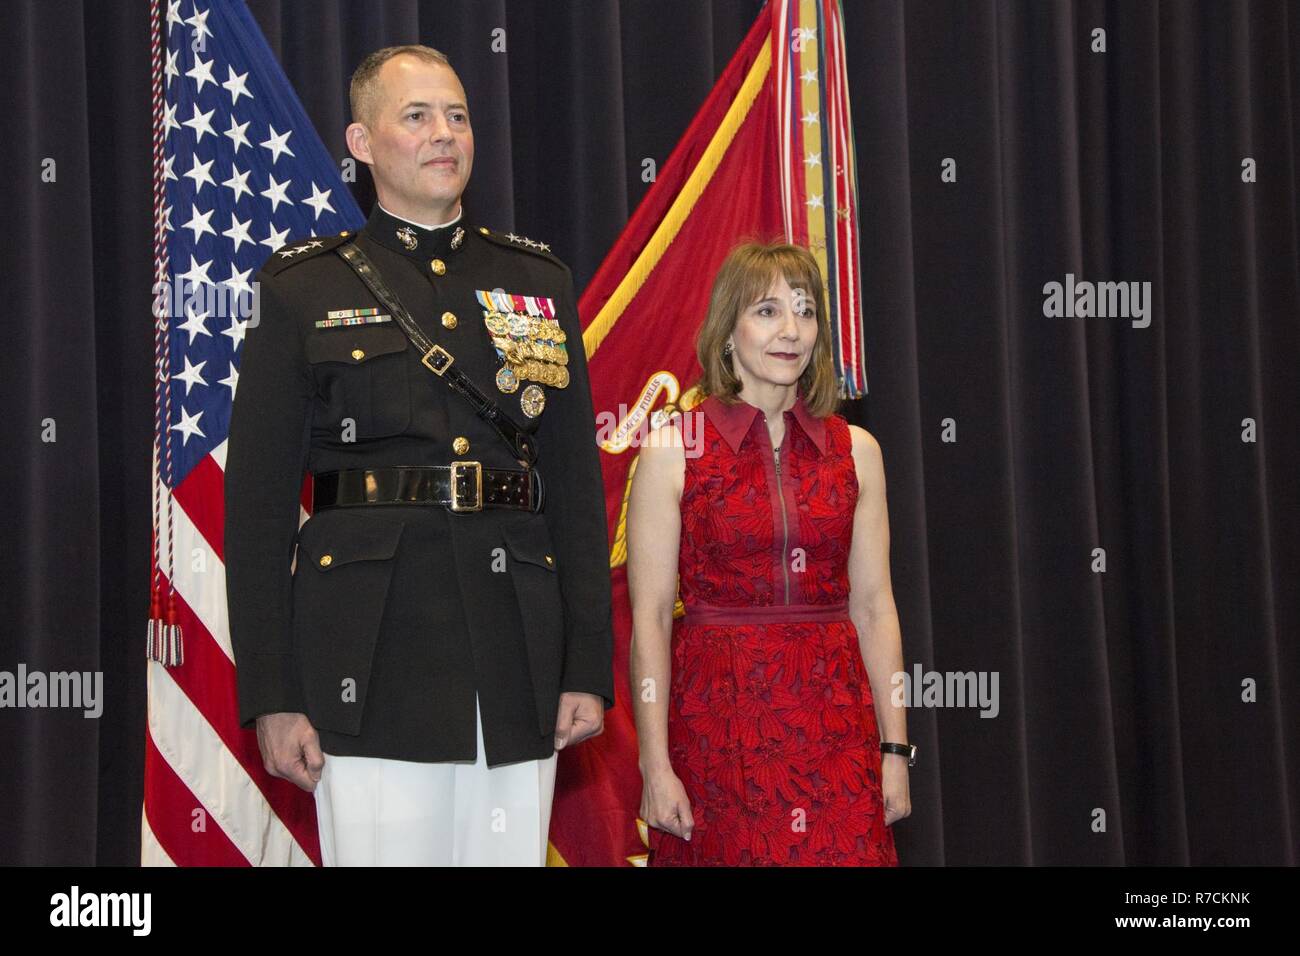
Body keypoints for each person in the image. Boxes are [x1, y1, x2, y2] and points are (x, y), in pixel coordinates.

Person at [224, 44, 614, 866]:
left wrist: (586, 665)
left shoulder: (534, 280)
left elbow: (575, 490)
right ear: (361, 144)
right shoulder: (301, 290)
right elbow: (256, 514)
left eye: (459, 115)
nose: (446, 134)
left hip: (516, 656)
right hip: (367, 660)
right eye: (417, 116)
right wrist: (272, 695)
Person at [627, 241, 913, 866]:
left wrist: (895, 751)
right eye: (767, 311)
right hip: (717, 736)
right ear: (728, 331)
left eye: (806, 311)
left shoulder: (858, 449)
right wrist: (655, 764)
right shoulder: (673, 449)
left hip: (838, 733)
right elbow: (647, 620)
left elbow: (874, 608)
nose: (791, 330)